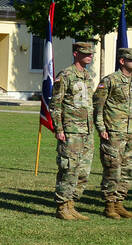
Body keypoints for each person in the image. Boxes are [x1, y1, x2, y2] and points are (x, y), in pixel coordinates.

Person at [53, 39, 99, 221]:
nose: (89, 57)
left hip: (87, 131)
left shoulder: (87, 76)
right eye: (86, 54)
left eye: (91, 54)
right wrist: (59, 128)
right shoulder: (65, 75)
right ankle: (62, 206)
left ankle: (71, 204)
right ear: (76, 54)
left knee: (83, 171)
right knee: (69, 168)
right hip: (71, 130)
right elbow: (55, 104)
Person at [92, 46, 132, 219]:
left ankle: (119, 202)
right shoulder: (110, 81)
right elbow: (98, 106)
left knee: (127, 170)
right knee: (112, 168)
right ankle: (109, 205)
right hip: (114, 132)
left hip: (130, 132)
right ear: (122, 61)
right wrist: (101, 128)